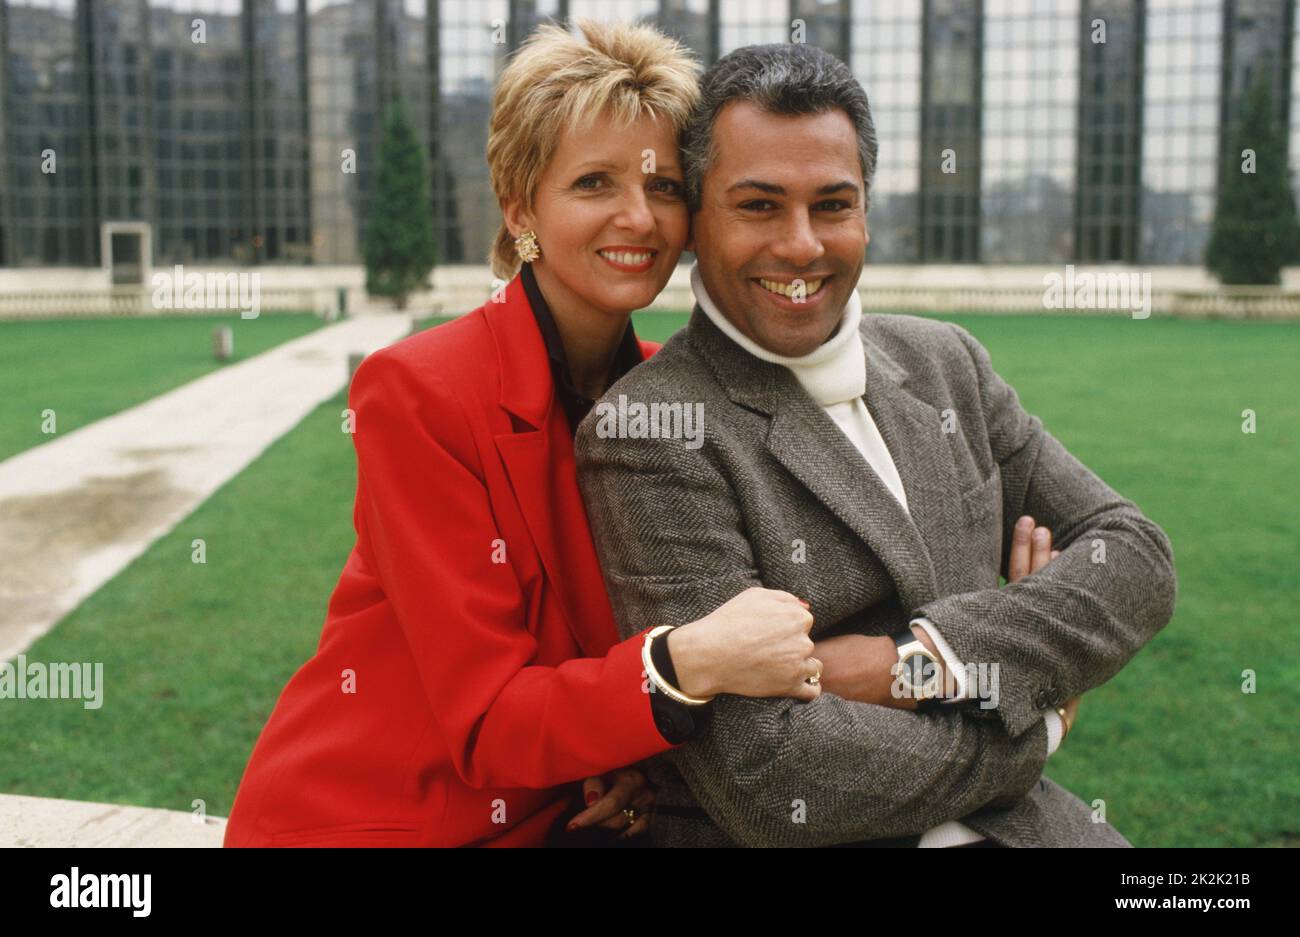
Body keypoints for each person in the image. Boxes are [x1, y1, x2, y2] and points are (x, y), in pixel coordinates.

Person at [223, 21, 821, 849]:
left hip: (557, 814)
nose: (637, 218)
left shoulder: (674, 392)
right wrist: (683, 663)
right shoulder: (420, 391)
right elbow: (489, 720)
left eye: (664, 187)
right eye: (593, 183)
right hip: (379, 819)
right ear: (520, 206)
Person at [575, 43, 1178, 847]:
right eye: (758, 205)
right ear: (695, 218)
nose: (801, 245)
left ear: (866, 208)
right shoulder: (650, 428)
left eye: (833, 204)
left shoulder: (946, 361)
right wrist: (1037, 726)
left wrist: (914, 662)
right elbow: (773, 777)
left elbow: (1135, 557)